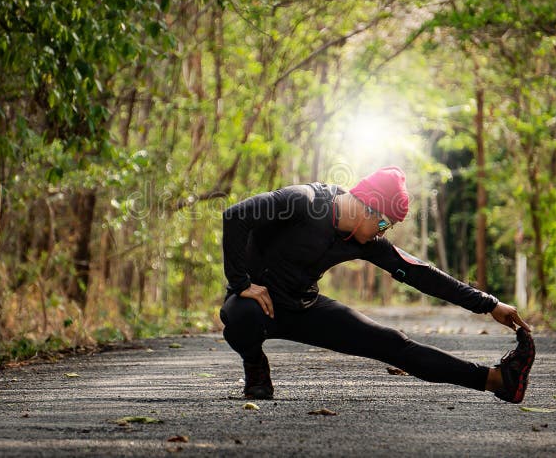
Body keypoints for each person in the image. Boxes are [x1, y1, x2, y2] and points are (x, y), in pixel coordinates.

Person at [219, 166, 535, 403]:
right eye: (384, 223)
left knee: (394, 344)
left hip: (304, 307)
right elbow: (235, 216)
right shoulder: (303, 201)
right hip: (259, 304)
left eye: (390, 227)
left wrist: (489, 304)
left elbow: (420, 273)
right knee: (240, 317)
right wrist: (242, 282)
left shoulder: (365, 240)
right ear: (367, 206)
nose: (383, 232)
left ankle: (498, 381)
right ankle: (255, 364)